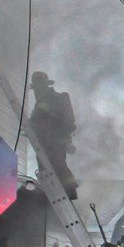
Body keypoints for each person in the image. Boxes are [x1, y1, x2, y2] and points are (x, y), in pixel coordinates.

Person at [29, 71, 79, 200]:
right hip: (57, 139)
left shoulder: (47, 98)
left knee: (53, 164)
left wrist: (29, 124)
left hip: (52, 140)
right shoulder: (55, 97)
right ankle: (67, 190)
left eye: (37, 87)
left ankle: (63, 191)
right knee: (58, 164)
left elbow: (39, 115)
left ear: (42, 85)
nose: (36, 91)